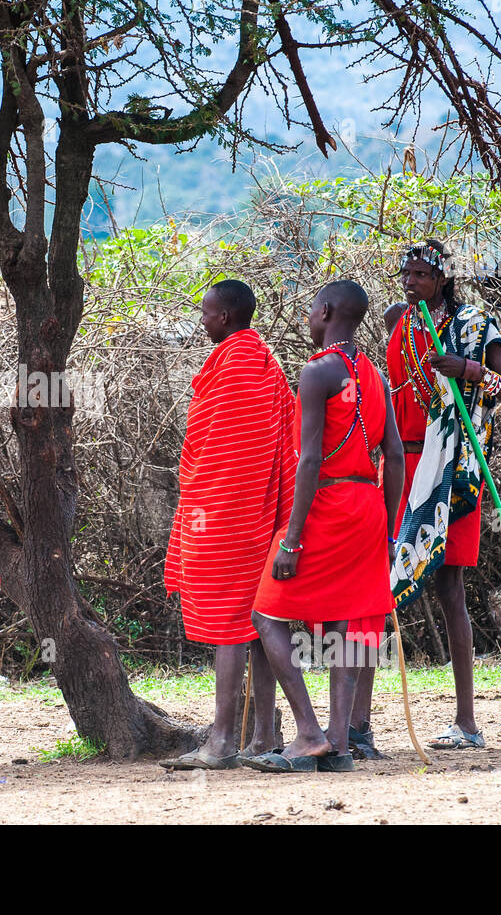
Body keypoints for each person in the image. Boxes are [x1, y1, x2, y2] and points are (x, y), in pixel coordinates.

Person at [350, 240, 501, 755]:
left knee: (450, 589)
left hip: (451, 474)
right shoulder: (397, 318)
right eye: (406, 274)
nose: (410, 284)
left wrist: (471, 371)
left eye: (421, 276)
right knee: (376, 586)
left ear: (445, 278)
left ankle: (467, 722)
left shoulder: (475, 328)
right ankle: (358, 726)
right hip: (397, 468)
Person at [244, 280, 404, 773]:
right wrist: (390, 529)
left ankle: (309, 733)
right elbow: (394, 455)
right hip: (369, 507)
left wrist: (291, 538)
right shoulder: (375, 375)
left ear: (327, 310)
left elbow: (309, 460)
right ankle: (337, 745)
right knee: (346, 622)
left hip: (327, 505)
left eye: (312, 309)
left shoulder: (316, 372)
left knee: (266, 615)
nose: (308, 317)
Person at [160, 279, 295, 770]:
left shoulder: (237, 365)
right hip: (264, 514)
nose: (202, 320)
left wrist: (203, 503)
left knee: (229, 626)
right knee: (260, 623)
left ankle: (220, 741)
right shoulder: (265, 361)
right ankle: (261, 738)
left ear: (226, 317)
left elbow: (222, 453)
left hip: (226, 514)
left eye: (207, 312)